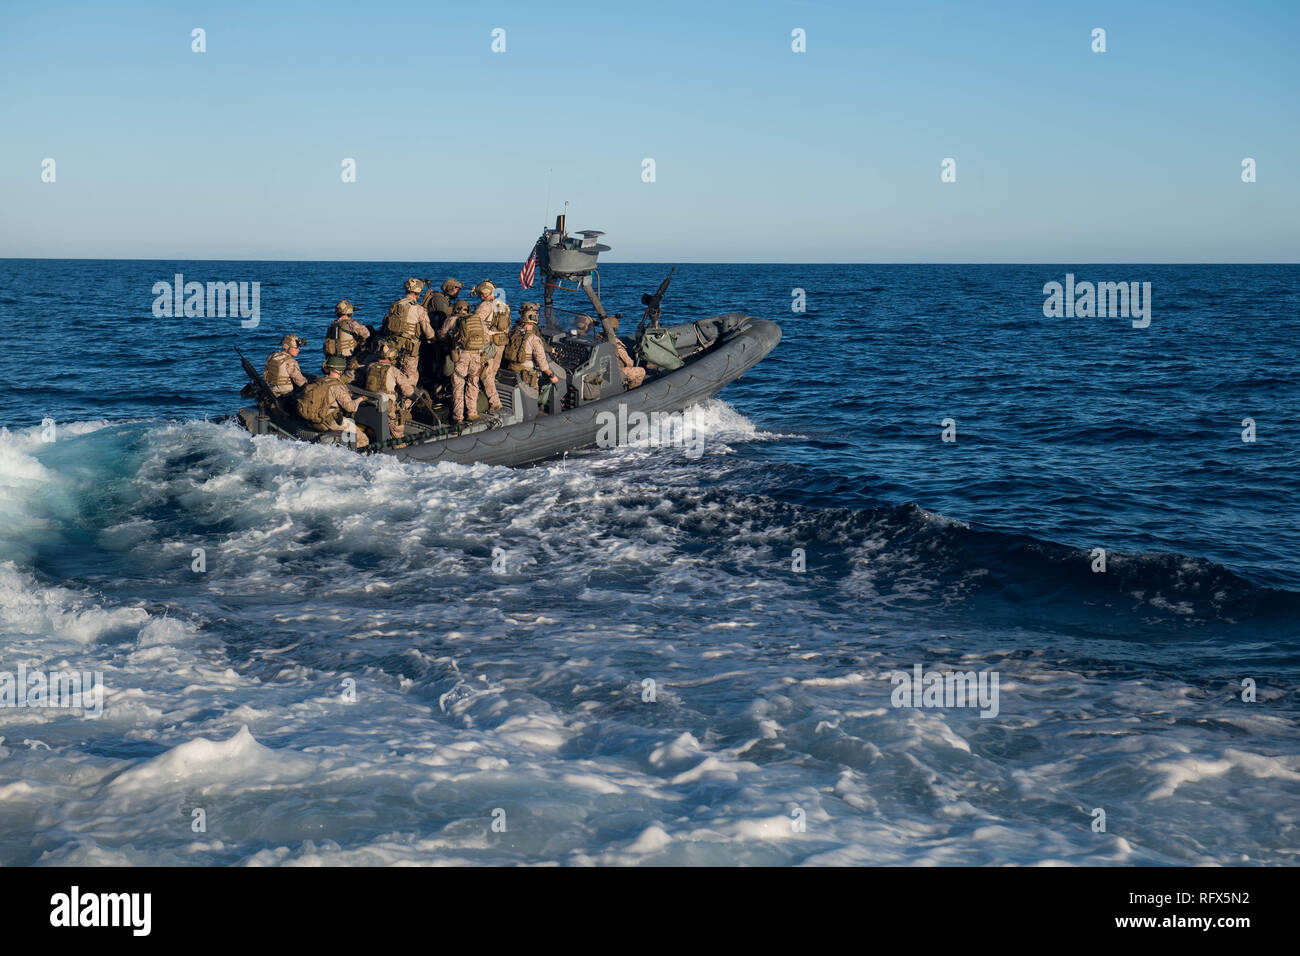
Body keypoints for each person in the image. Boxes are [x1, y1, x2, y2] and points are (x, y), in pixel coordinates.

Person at [295, 354, 370, 447]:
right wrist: (361, 398)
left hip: (316, 420)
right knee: (363, 440)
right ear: (340, 370)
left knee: (350, 423)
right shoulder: (337, 386)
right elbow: (351, 408)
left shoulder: (320, 381)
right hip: (330, 422)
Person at [451, 286, 494, 424]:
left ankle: (458, 417)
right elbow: (487, 338)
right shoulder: (478, 320)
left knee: (458, 386)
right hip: (476, 356)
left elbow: (440, 334)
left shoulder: (452, 320)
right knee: (473, 384)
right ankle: (472, 413)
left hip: (461, 357)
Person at [383, 278, 437, 383]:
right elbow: (427, 329)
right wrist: (433, 338)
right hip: (410, 345)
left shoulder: (396, 304)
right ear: (418, 291)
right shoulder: (418, 308)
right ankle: (407, 399)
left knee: (393, 371)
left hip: (393, 343)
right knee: (410, 375)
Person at [364, 338, 417, 441]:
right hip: (389, 408)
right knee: (397, 434)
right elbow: (408, 391)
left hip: (372, 404)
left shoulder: (370, 366)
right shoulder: (393, 370)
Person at [504, 303, 559, 391]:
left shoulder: (513, 333)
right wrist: (551, 375)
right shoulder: (534, 339)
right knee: (549, 384)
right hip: (526, 374)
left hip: (511, 370)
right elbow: (542, 362)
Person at [479, 298, 510, 412]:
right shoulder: (505, 306)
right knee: (493, 372)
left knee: (487, 373)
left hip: (489, 344)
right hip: (501, 342)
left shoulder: (485, 306)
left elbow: (477, 322)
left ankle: (495, 402)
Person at [608, 317, 646, 388]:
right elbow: (629, 362)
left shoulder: (599, 338)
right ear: (616, 329)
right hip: (613, 373)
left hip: (604, 369)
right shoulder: (615, 343)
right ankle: (630, 389)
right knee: (641, 371)